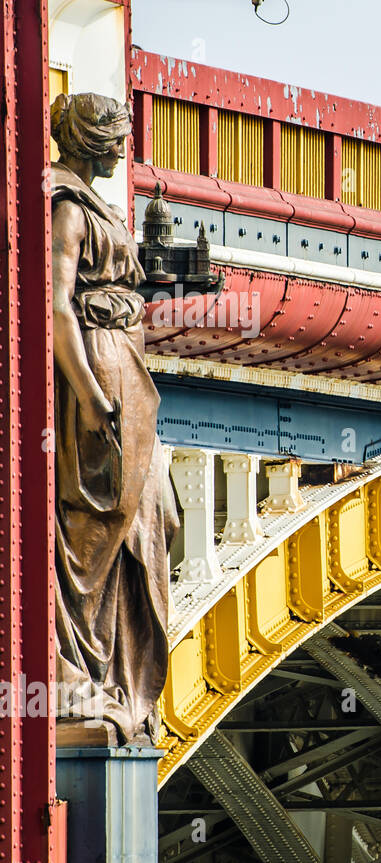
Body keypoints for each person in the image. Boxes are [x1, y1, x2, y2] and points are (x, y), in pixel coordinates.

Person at [49, 92, 178, 745]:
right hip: (98, 370)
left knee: (154, 515)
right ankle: (75, 667)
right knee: (94, 520)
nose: (126, 148)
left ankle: (105, 667)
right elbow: (57, 308)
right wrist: (90, 394)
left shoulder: (96, 204)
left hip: (127, 365)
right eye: (117, 136)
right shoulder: (66, 204)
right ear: (89, 137)